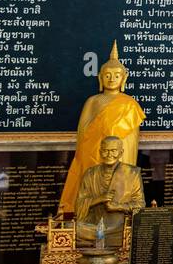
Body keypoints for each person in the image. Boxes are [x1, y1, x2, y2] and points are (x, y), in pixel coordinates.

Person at [58, 42, 146, 216]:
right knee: (91, 188)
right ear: (100, 78)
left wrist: (124, 163)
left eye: (116, 75)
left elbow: (130, 142)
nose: (112, 79)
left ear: (124, 79)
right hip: (94, 154)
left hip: (119, 155)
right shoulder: (93, 101)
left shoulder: (130, 104)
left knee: (119, 188)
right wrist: (88, 152)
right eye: (107, 75)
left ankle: (118, 212)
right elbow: (83, 132)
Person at [74, 135, 144, 250]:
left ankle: (108, 239)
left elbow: (140, 205)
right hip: (93, 226)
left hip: (119, 227)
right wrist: (98, 199)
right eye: (105, 151)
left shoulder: (132, 173)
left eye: (113, 151)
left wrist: (118, 207)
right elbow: (79, 206)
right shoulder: (91, 173)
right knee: (72, 228)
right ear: (100, 152)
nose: (109, 154)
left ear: (121, 153)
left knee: (137, 231)